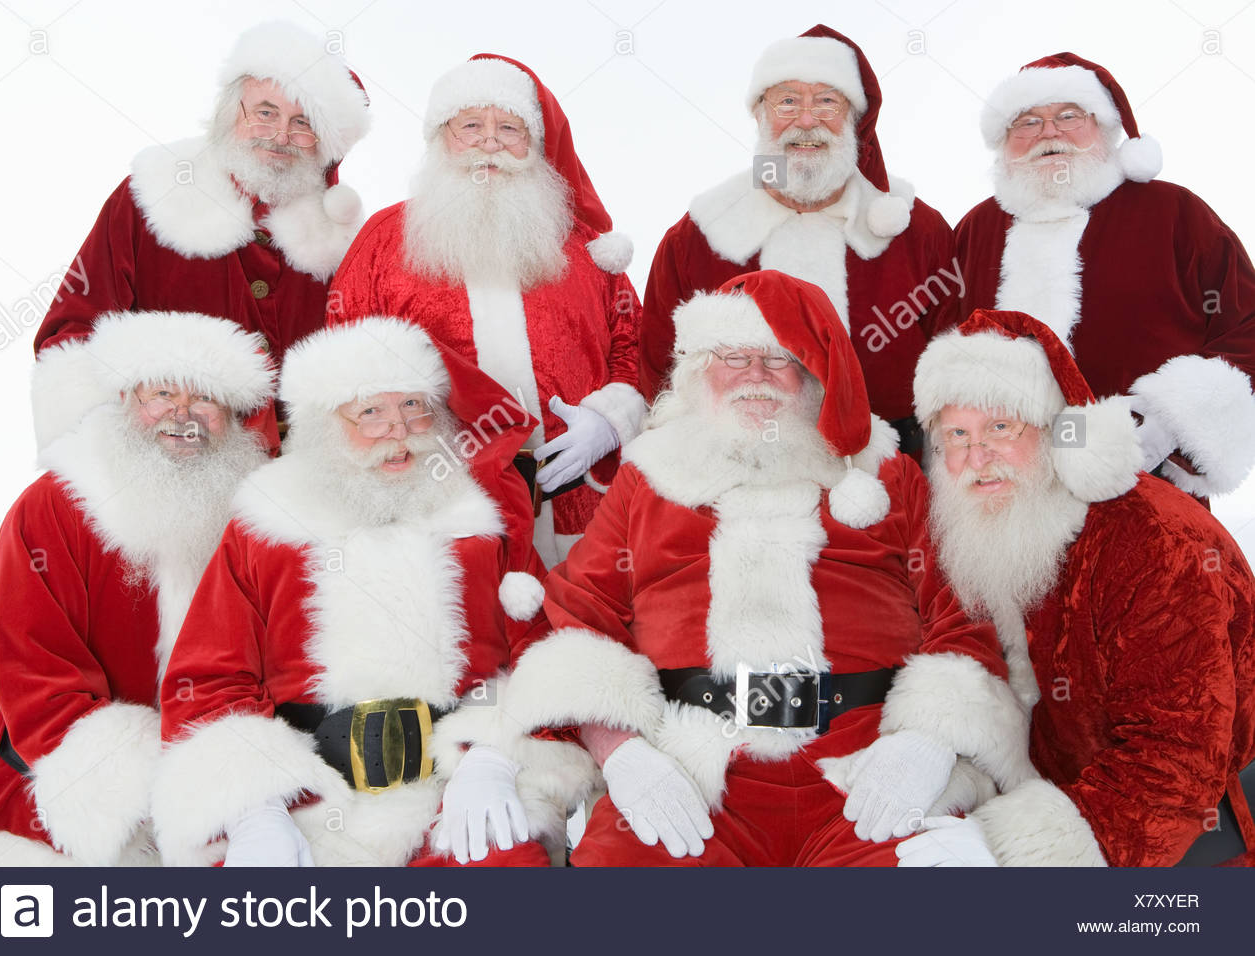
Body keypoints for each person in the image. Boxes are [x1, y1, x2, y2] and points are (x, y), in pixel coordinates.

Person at [495, 270, 1030, 866]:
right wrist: (622, 754)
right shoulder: (648, 477)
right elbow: (577, 619)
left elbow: (965, 618)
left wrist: (927, 743)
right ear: (701, 369)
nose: (755, 375)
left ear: (813, 373)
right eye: (735, 356)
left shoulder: (888, 476)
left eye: (779, 359)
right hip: (693, 769)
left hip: (865, 762)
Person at [152, 317, 595, 866]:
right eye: (370, 412)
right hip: (308, 803)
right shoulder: (266, 523)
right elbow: (211, 679)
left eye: (413, 406)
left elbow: (543, 651)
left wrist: (493, 758)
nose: (399, 429)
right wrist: (254, 809)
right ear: (323, 428)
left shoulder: (478, 519)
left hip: (454, 790)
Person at [899, 308, 1255, 866]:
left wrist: (1011, 847)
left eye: (1001, 427)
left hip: (1178, 830)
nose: (976, 458)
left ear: (1061, 432)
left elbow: (1179, 758)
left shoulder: (1153, 541)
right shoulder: (977, 525)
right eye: (957, 436)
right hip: (1050, 783)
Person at [0, 312, 273, 865]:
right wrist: (161, 794)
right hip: (57, 788)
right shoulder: (53, 508)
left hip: (220, 789)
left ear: (231, 415)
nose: (182, 414)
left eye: (205, 399)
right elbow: (37, 682)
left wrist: (240, 788)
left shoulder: (259, 516)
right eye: (163, 392)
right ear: (127, 397)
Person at [327, 54, 644, 568]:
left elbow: (637, 347)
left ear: (535, 143)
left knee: (582, 637)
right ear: (440, 138)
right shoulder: (385, 242)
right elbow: (343, 370)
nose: (490, 141)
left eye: (510, 127)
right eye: (470, 125)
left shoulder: (588, 250)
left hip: (582, 512)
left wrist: (611, 422)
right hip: (435, 502)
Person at [32, 21, 370, 450]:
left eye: (302, 122)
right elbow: (71, 332)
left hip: (298, 471)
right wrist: (118, 445)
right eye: (265, 112)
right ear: (232, 112)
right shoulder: (154, 195)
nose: (282, 135)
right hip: (170, 456)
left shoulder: (344, 235)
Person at [640, 24, 957, 457]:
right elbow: (659, 370)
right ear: (759, 114)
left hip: (892, 471)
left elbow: (957, 365)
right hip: (732, 474)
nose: (806, 121)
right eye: (787, 101)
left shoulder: (918, 231)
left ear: (854, 118)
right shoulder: (698, 236)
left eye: (827, 101)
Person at [952, 52, 1255, 499]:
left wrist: (1170, 420)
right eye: (1027, 121)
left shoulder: (1174, 212)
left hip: (1150, 491)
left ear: (1105, 128)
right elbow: (936, 343)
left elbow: (1246, 326)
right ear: (1004, 140)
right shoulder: (976, 230)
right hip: (1006, 500)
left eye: (1068, 115)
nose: (1049, 132)